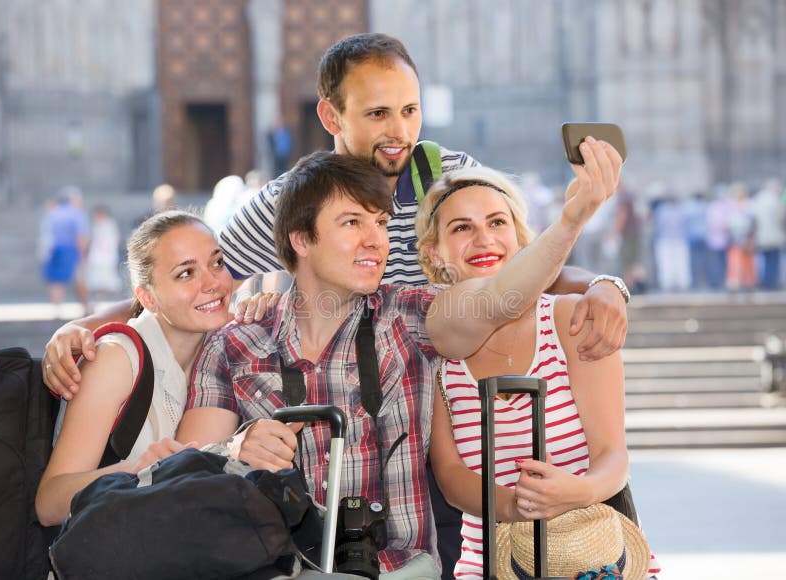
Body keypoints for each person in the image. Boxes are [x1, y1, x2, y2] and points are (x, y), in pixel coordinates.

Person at [40, 33, 630, 397]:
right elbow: (195, 282)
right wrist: (85, 328)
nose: (398, 132)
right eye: (377, 115)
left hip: (457, 405)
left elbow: (521, 269)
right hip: (352, 425)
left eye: (409, 110)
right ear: (330, 116)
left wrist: (604, 285)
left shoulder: (451, 175)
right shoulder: (293, 200)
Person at [175, 142, 622, 578]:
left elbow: (498, 298)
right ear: (300, 239)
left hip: (404, 569)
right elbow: (187, 467)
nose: (375, 241)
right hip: (284, 567)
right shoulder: (236, 343)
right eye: (352, 222)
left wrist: (580, 237)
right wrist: (235, 447)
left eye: (382, 222)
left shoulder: (410, 316)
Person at [415, 166, 660, 579]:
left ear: (521, 237)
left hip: (588, 555)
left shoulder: (570, 321)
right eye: (461, 228)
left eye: (497, 222)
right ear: (435, 253)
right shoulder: (437, 352)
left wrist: (577, 491)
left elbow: (612, 455)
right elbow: (450, 473)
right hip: (491, 562)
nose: (484, 239)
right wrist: (516, 505)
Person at [35, 210, 234, 525]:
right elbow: (48, 504)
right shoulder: (115, 360)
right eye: (186, 273)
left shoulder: (225, 349)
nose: (213, 282)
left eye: (217, 263)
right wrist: (134, 469)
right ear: (147, 297)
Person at [38, 187, 90, 318]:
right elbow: (81, 237)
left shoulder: (53, 213)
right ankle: (85, 307)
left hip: (53, 250)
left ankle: (57, 309)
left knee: (56, 281)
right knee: (79, 278)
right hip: (70, 249)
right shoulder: (76, 213)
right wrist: (83, 255)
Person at [85, 204, 123, 300]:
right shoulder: (96, 225)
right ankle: (100, 298)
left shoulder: (110, 225)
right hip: (97, 256)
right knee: (97, 280)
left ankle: (114, 298)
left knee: (109, 279)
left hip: (106, 257)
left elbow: (111, 242)